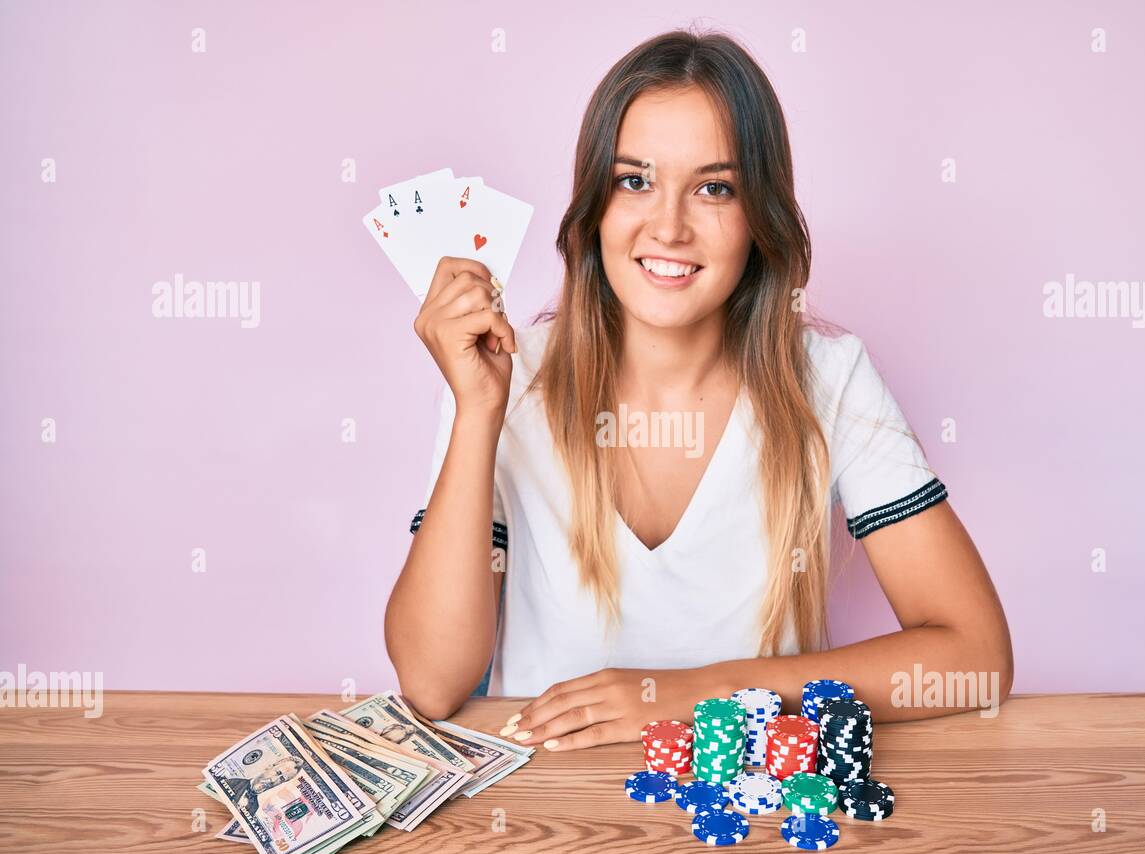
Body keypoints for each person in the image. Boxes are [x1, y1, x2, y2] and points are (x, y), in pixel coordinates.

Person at [385, 29, 1012, 751]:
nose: (670, 226)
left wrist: (695, 693)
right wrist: (478, 412)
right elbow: (432, 683)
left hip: (753, 808)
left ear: (759, 217)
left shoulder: (830, 379)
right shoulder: (504, 376)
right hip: (549, 815)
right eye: (635, 180)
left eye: (715, 188)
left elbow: (975, 657)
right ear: (593, 210)